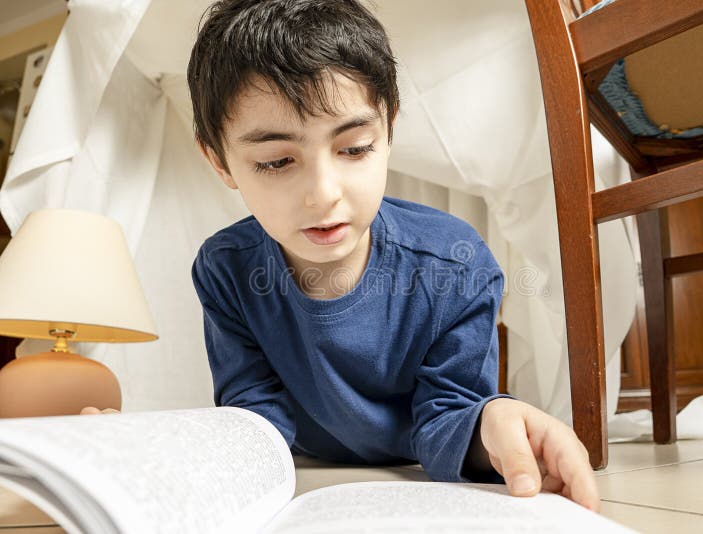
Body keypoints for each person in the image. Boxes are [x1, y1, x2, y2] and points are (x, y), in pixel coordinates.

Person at [84, 0, 599, 510]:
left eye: (353, 149)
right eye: (276, 161)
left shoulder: (457, 265)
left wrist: (493, 424)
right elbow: (254, 411)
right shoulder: (226, 269)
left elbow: (449, 415)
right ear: (218, 161)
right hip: (302, 474)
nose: (323, 194)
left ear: (389, 128)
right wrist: (160, 443)